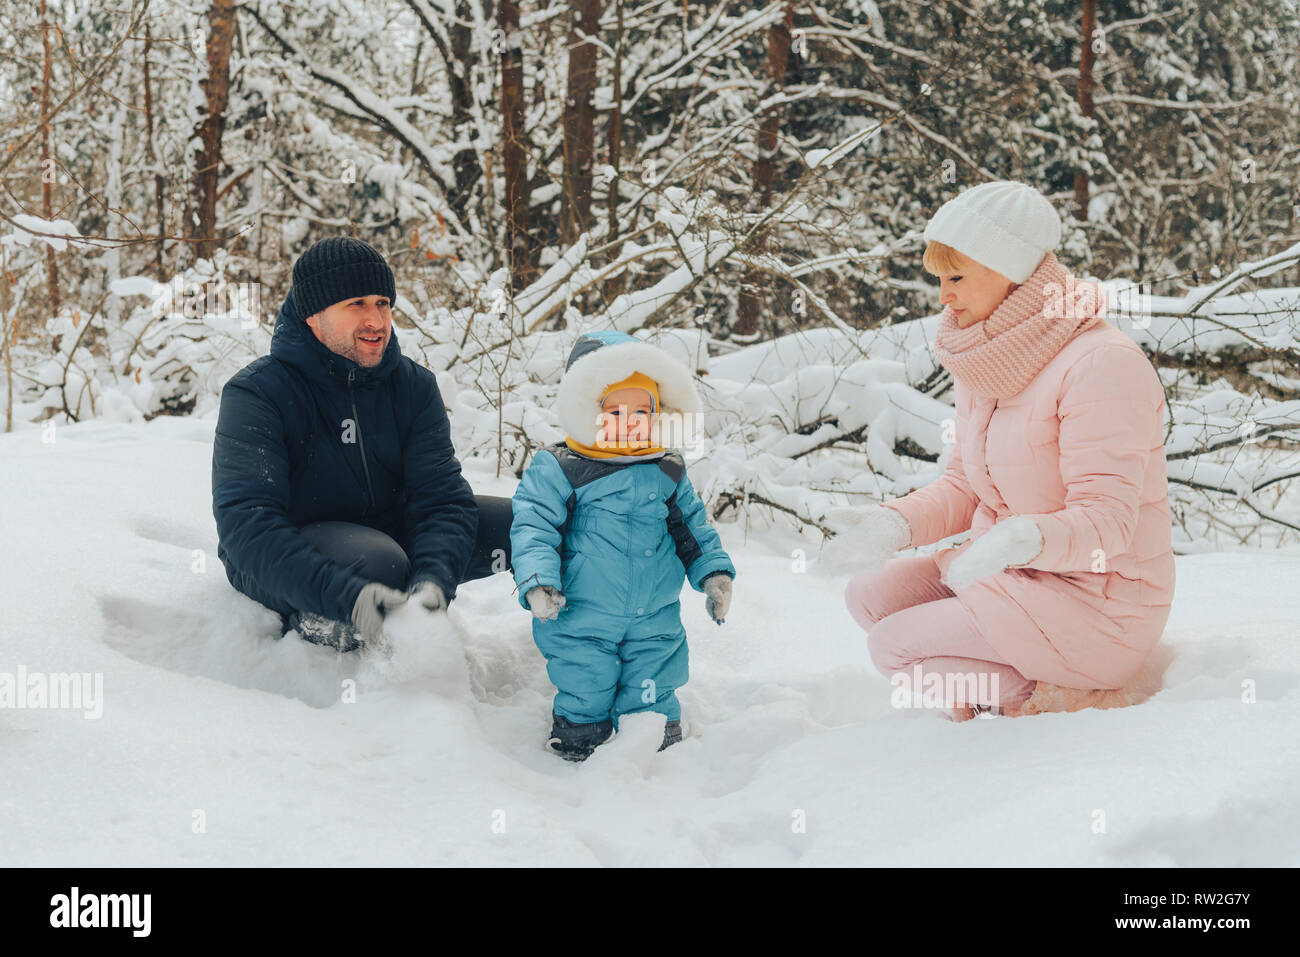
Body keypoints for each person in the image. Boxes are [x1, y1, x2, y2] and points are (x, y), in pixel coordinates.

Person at [837, 180, 1175, 719]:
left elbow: (1108, 523)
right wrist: (891, 524)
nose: (943, 296)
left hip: (1102, 602)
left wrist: (1021, 539)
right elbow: (964, 486)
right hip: (1015, 572)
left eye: (955, 278)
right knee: (869, 598)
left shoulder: (1102, 364)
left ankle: (1057, 695)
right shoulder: (993, 357)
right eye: (938, 280)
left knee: (893, 646)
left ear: (1010, 270)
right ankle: (1013, 663)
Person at [212, 236, 513, 651]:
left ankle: (587, 646)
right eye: (356, 304)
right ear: (313, 314)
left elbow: (441, 500)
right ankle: (323, 621)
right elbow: (246, 526)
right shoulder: (258, 392)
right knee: (380, 564)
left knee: (530, 523)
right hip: (285, 555)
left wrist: (433, 582)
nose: (376, 320)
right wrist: (347, 597)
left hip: (389, 533)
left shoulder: (413, 386)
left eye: (383, 304)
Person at [510, 330, 736, 760]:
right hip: (579, 610)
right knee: (585, 678)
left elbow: (691, 527)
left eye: (641, 409)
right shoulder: (562, 467)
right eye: (614, 409)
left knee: (654, 672)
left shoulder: (667, 469)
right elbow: (534, 527)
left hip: (654, 611)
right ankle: (580, 732)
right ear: (587, 410)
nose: (629, 420)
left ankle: (653, 729)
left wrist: (714, 573)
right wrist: (539, 582)